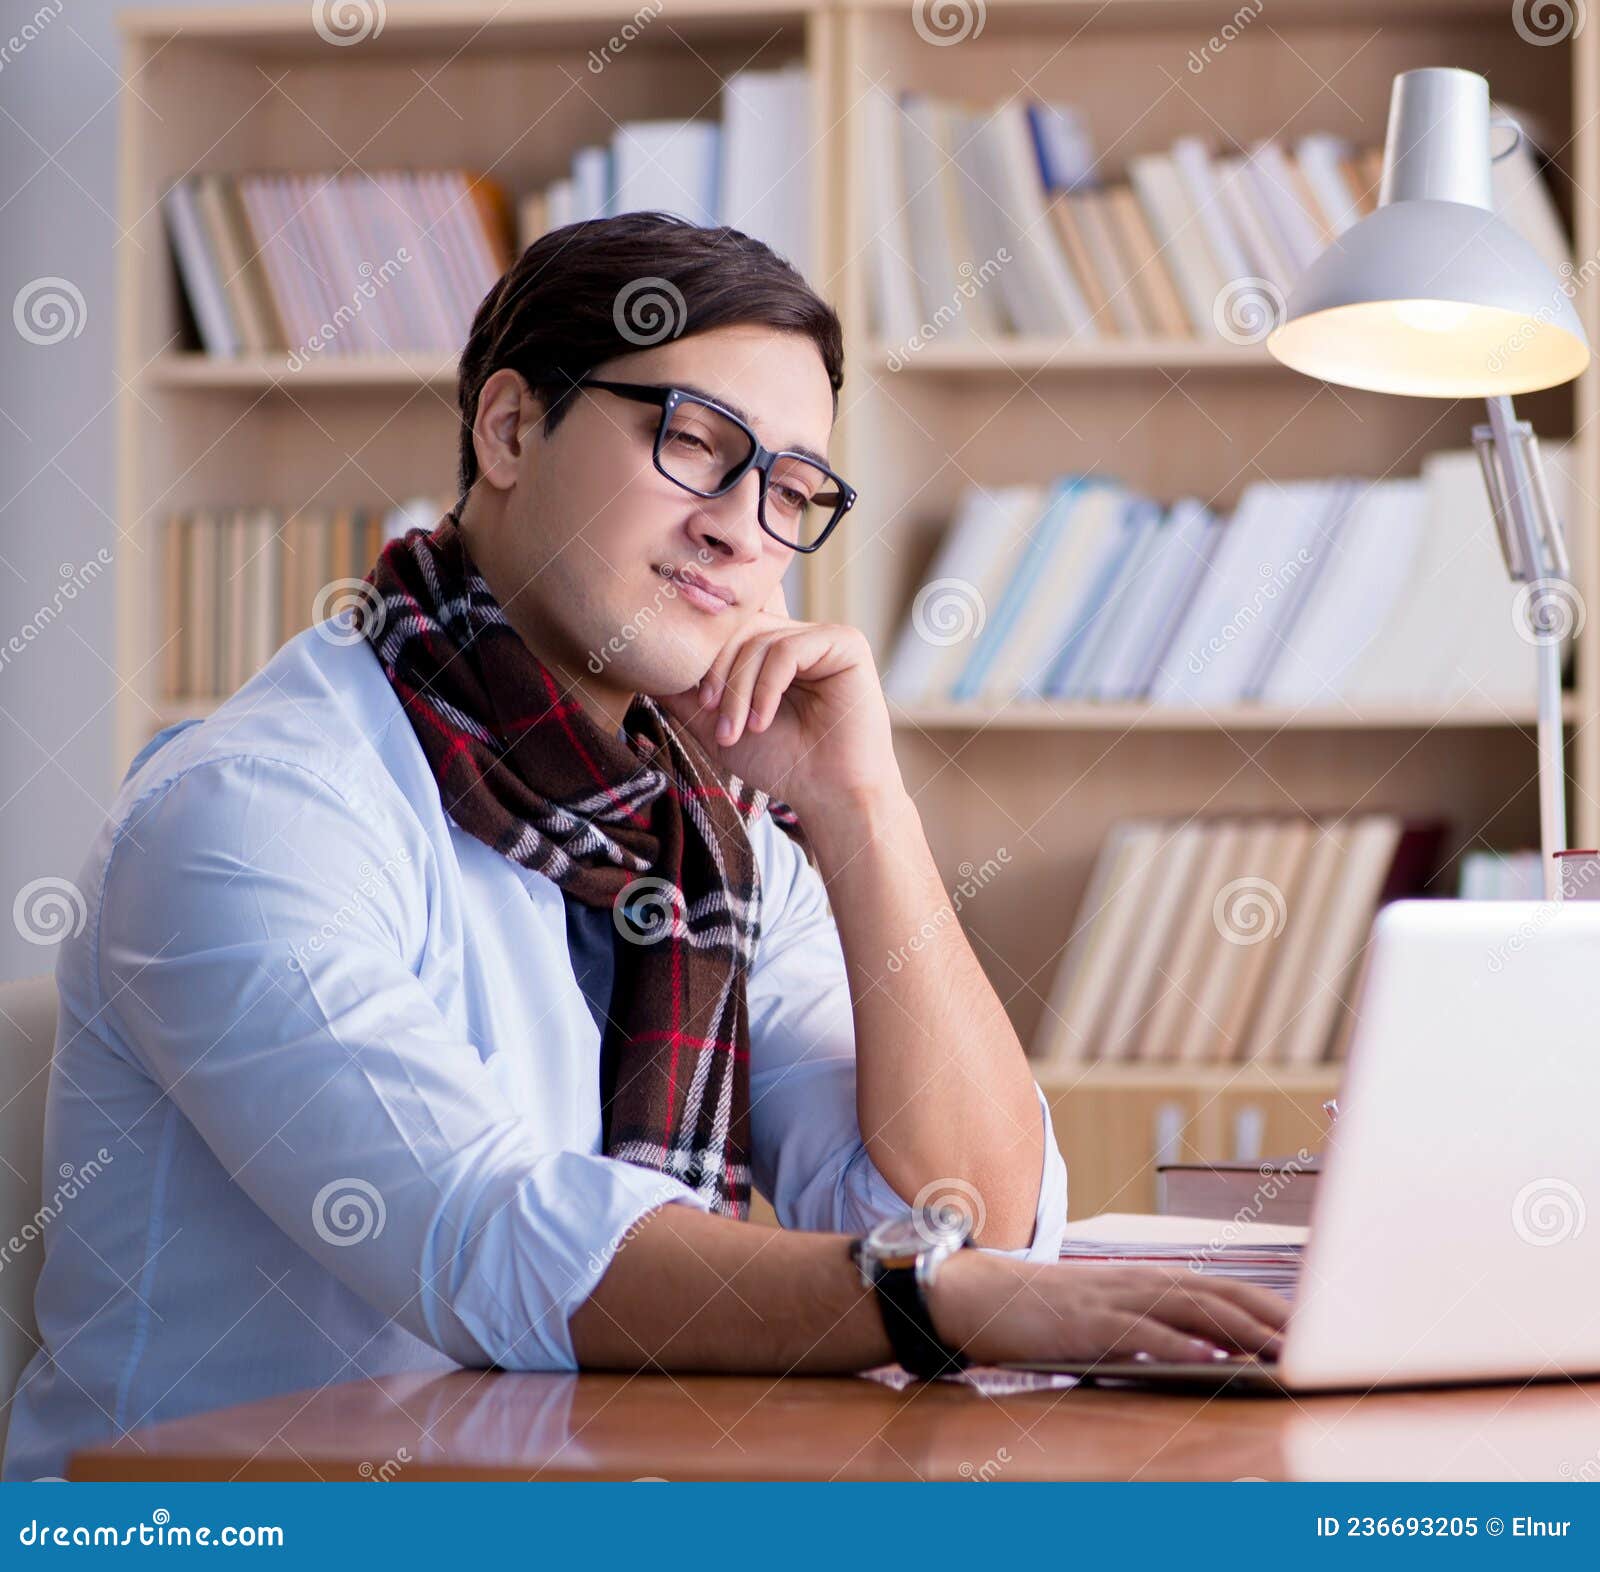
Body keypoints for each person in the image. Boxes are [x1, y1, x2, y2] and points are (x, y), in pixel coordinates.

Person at [3, 213, 1283, 1482]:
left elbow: (969, 1221)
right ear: (510, 429)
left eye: (789, 490)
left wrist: (862, 810)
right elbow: (485, 1240)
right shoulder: (252, 808)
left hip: (568, 1503)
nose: (742, 529)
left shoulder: (713, 831)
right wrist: (933, 1299)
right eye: (695, 443)